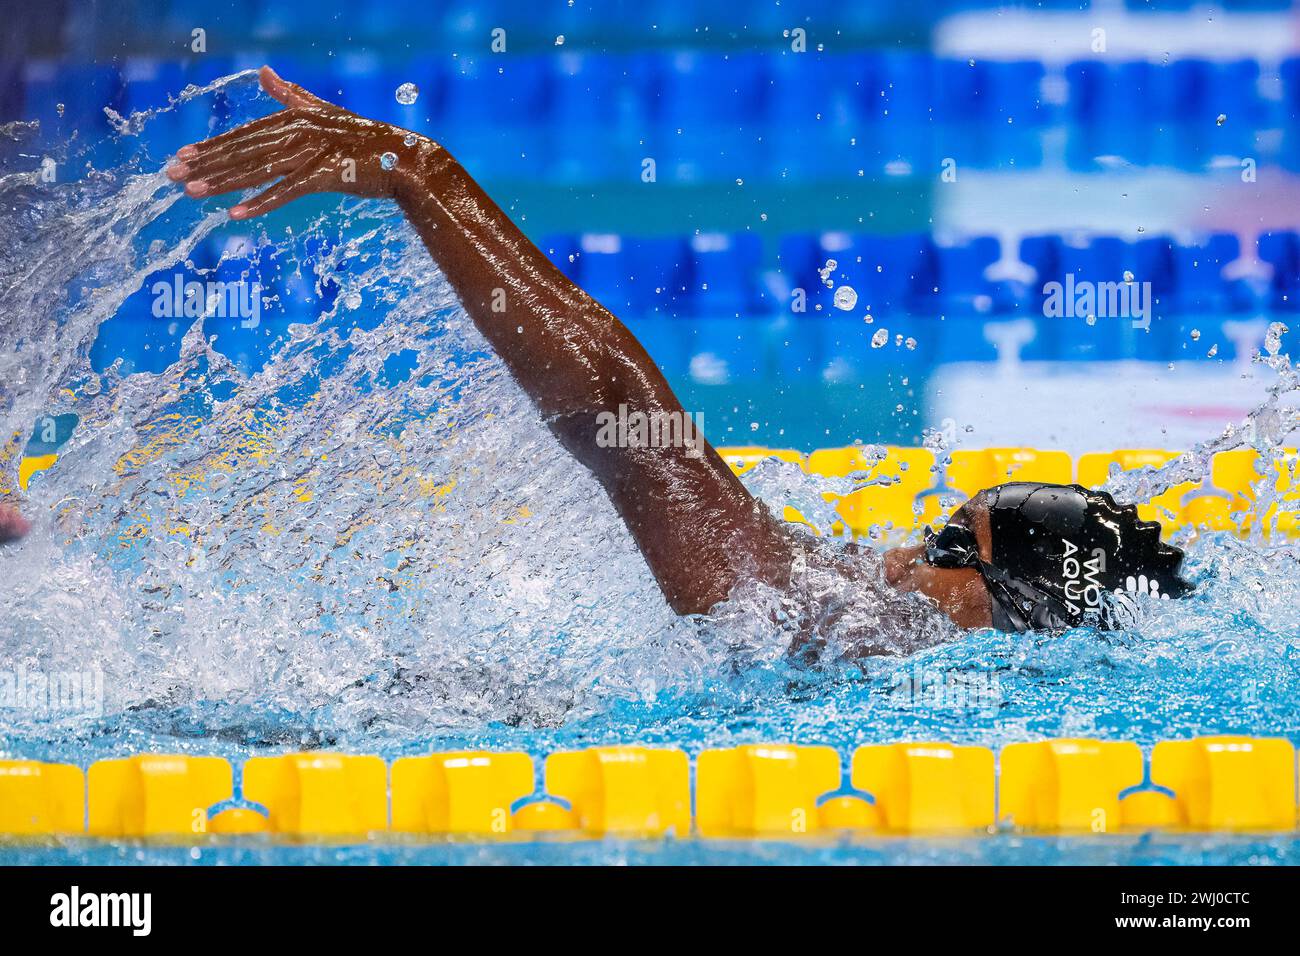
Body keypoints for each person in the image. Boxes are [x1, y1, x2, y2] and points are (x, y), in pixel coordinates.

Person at [5, 67, 1193, 648]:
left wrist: (423, 175)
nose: (898, 544)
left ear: (1005, 611)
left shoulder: (823, 627)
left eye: (945, 545)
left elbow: (624, 416)